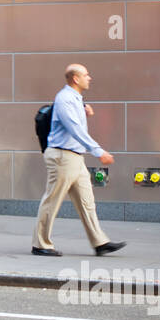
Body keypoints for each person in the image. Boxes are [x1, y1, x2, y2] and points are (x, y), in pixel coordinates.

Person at [33, 64, 124, 257]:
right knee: (52, 200)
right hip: (62, 157)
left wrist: (84, 110)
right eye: (86, 75)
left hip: (75, 158)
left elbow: (73, 121)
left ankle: (100, 242)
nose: (89, 78)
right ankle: (40, 244)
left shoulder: (74, 99)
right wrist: (98, 151)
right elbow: (75, 129)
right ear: (75, 78)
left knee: (87, 201)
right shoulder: (65, 98)